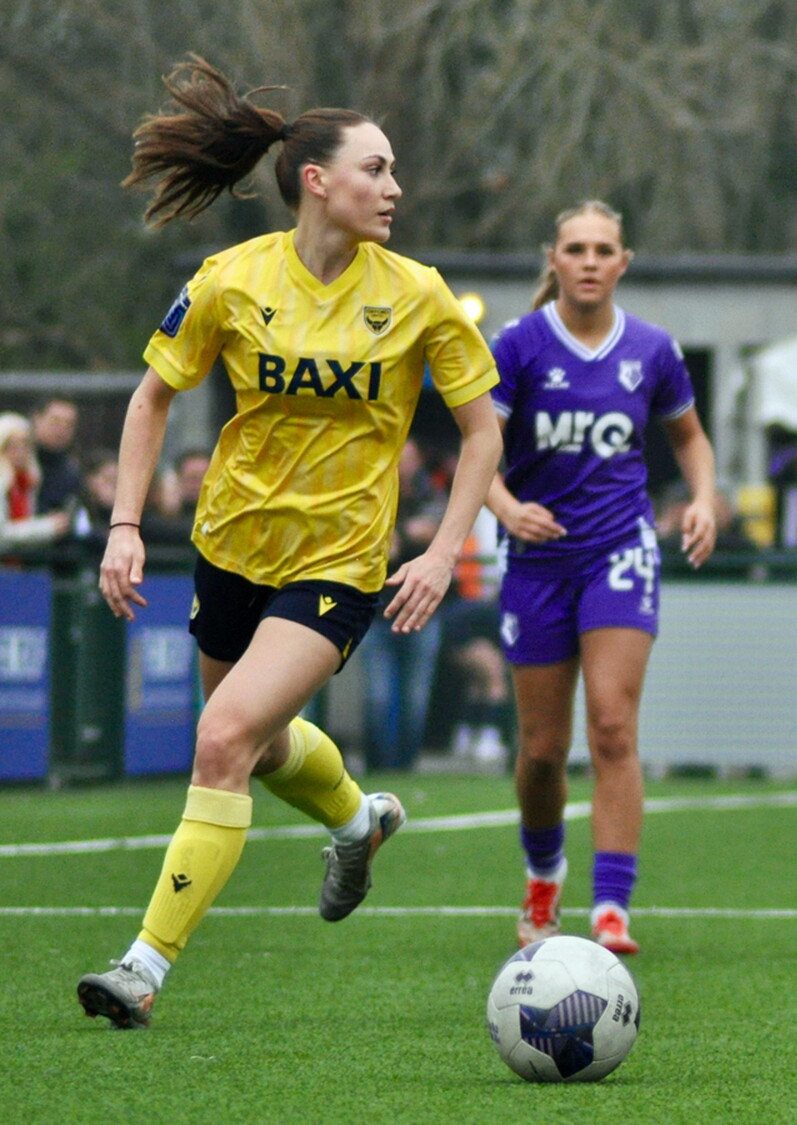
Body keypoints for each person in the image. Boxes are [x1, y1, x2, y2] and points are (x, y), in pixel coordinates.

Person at [78, 56, 502, 1029]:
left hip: (339, 563)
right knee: (260, 742)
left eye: (393, 171)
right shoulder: (232, 279)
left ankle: (143, 966)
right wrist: (125, 525)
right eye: (376, 169)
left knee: (222, 737)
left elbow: (483, 434)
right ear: (317, 180)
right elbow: (150, 400)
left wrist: (440, 551)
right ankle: (358, 821)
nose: (395, 189)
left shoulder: (419, 294)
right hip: (229, 545)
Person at [486, 200, 720, 955]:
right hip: (537, 561)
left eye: (603, 249)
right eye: (576, 249)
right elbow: (478, 449)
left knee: (613, 727)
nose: (589, 261)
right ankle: (543, 877)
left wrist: (704, 499)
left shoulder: (652, 348)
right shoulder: (518, 344)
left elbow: (690, 438)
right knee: (542, 749)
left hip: (620, 551)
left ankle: (612, 906)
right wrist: (507, 507)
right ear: (553, 259)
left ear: (624, 262)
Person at [0, 412, 72, 548]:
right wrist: (47, 527)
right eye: (11, 446)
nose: (20, 452)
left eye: (25, 445)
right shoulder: (3, 483)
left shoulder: (28, 481)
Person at [30, 396, 82, 514]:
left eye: (69, 424)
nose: (61, 430)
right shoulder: (14, 463)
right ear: (37, 418)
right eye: (55, 422)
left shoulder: (70, 472)